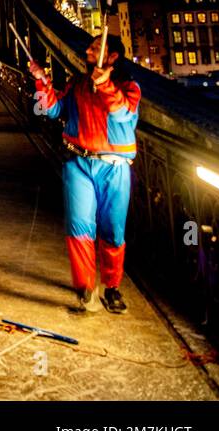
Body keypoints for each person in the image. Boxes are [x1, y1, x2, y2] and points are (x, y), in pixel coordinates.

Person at [30, 35, 140, 315]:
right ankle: (85, 288)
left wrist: (103, 84)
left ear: (112, 56)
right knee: (80, 228)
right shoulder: (77, 84)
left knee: (113, 230)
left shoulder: (129, 87)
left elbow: (120, 114)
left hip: (114, 167)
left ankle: (112, 286)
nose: (87, 50)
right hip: (78, 162)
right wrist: (41, 81)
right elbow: (52, 110)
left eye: (94, 47)